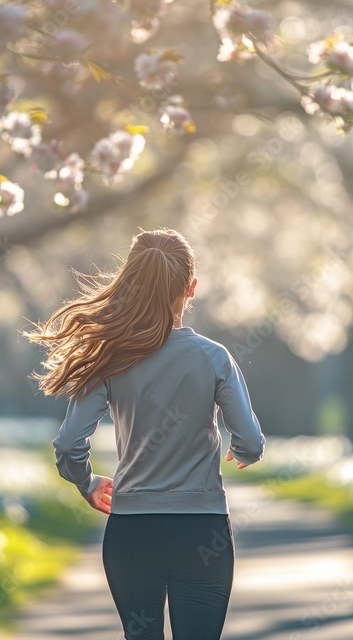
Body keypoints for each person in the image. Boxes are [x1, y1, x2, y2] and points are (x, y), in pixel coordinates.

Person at [26, 227, 266, 640]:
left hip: (133, 532)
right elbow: (251, 442)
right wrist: (241, 451)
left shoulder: (111, 357)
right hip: (201, 532)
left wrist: (86, 482)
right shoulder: (213, 358)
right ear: (191, 288)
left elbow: (68, 444)